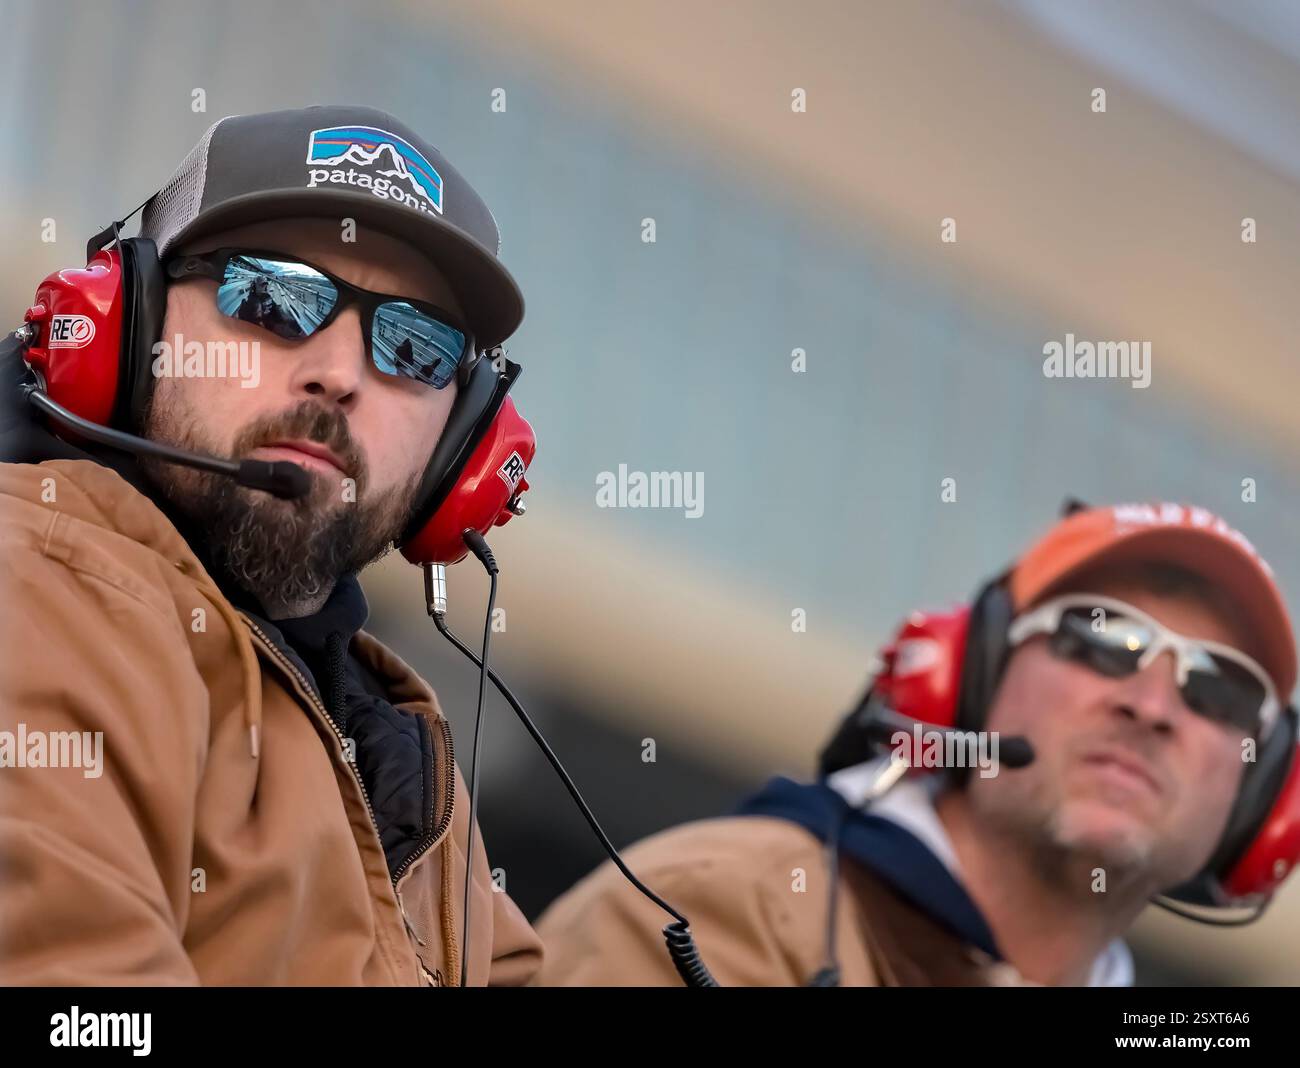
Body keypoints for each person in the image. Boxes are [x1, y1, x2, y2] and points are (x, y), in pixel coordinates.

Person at [0, 105, 541, 985]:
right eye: (273, 294)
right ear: (131, 324)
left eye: (415, 346)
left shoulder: (411, 771)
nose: (339, 369)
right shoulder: (31, 586)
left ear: (464, 441)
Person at [535, 502, 1299, 986]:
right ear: (969, 676)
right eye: (1102, 640)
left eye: (1220, 689)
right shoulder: (719, 907)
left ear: (1260, 799)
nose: (1152, 705)